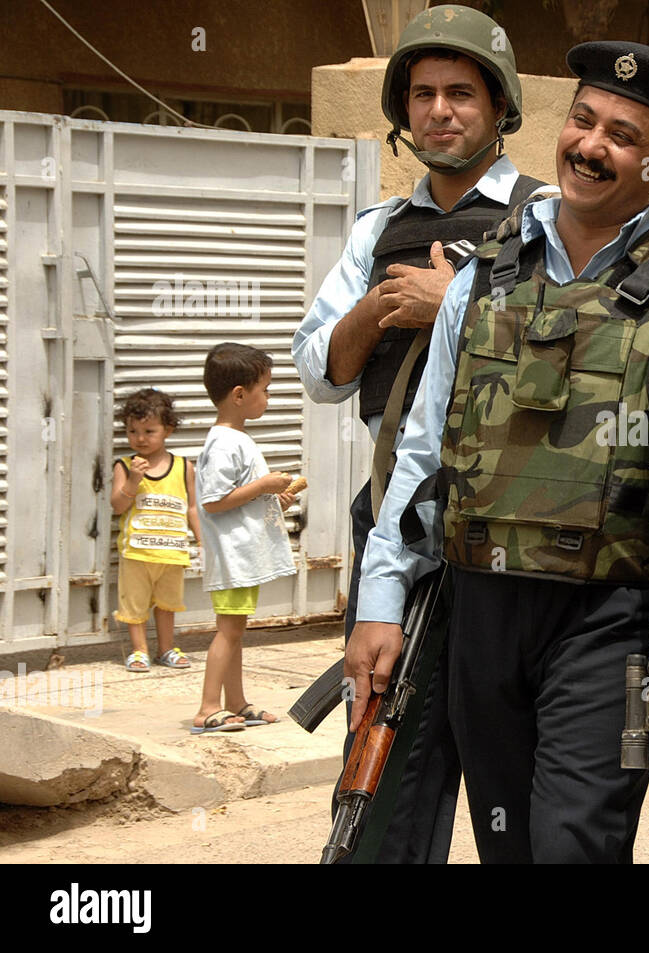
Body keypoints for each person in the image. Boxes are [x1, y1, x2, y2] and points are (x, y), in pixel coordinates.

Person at [349, 41, 649, 863]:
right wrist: (381, 597)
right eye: (583, 121)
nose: (590, 146)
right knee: (507, 843)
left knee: (571, 846)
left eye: (623, 136)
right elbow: (424, 451)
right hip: (480, 603)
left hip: (611, 617)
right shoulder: (485, 278)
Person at [292, 4, 546, 861]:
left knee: (521, 790)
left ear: (500, 106)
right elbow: (321, 372)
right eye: (424, 95)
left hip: (519, 529)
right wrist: (375, 307)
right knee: (384, 773)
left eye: (461, 93)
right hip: (397, 520)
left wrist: (460, 310)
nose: (440, 111)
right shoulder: (375, 233)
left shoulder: (549, 221)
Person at [192, 344, 299, 734]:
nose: (268, 398)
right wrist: (264, 485)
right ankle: (207, 708)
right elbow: (215, 502)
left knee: (236, 630)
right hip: (233, 556)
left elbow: (240, 501)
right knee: (229, 631)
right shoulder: (223, 443)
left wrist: (274, 499)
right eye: (265, 390)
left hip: (243, 555)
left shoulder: (237, 439)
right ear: (240, 395)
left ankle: (235, 702)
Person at [110, 388, 201, 673]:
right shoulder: (124, 467)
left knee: (168, 604)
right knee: (134, 606)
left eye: (149, 431)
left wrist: (202, 540)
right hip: (136, 552)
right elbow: (118, 506)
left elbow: (192, 507)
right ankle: (139, 651)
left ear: (168, 430)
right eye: (133, 431)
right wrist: (134, 480)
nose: (140, 438)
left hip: (172, 552)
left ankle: (166, 648)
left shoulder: (183, 467)